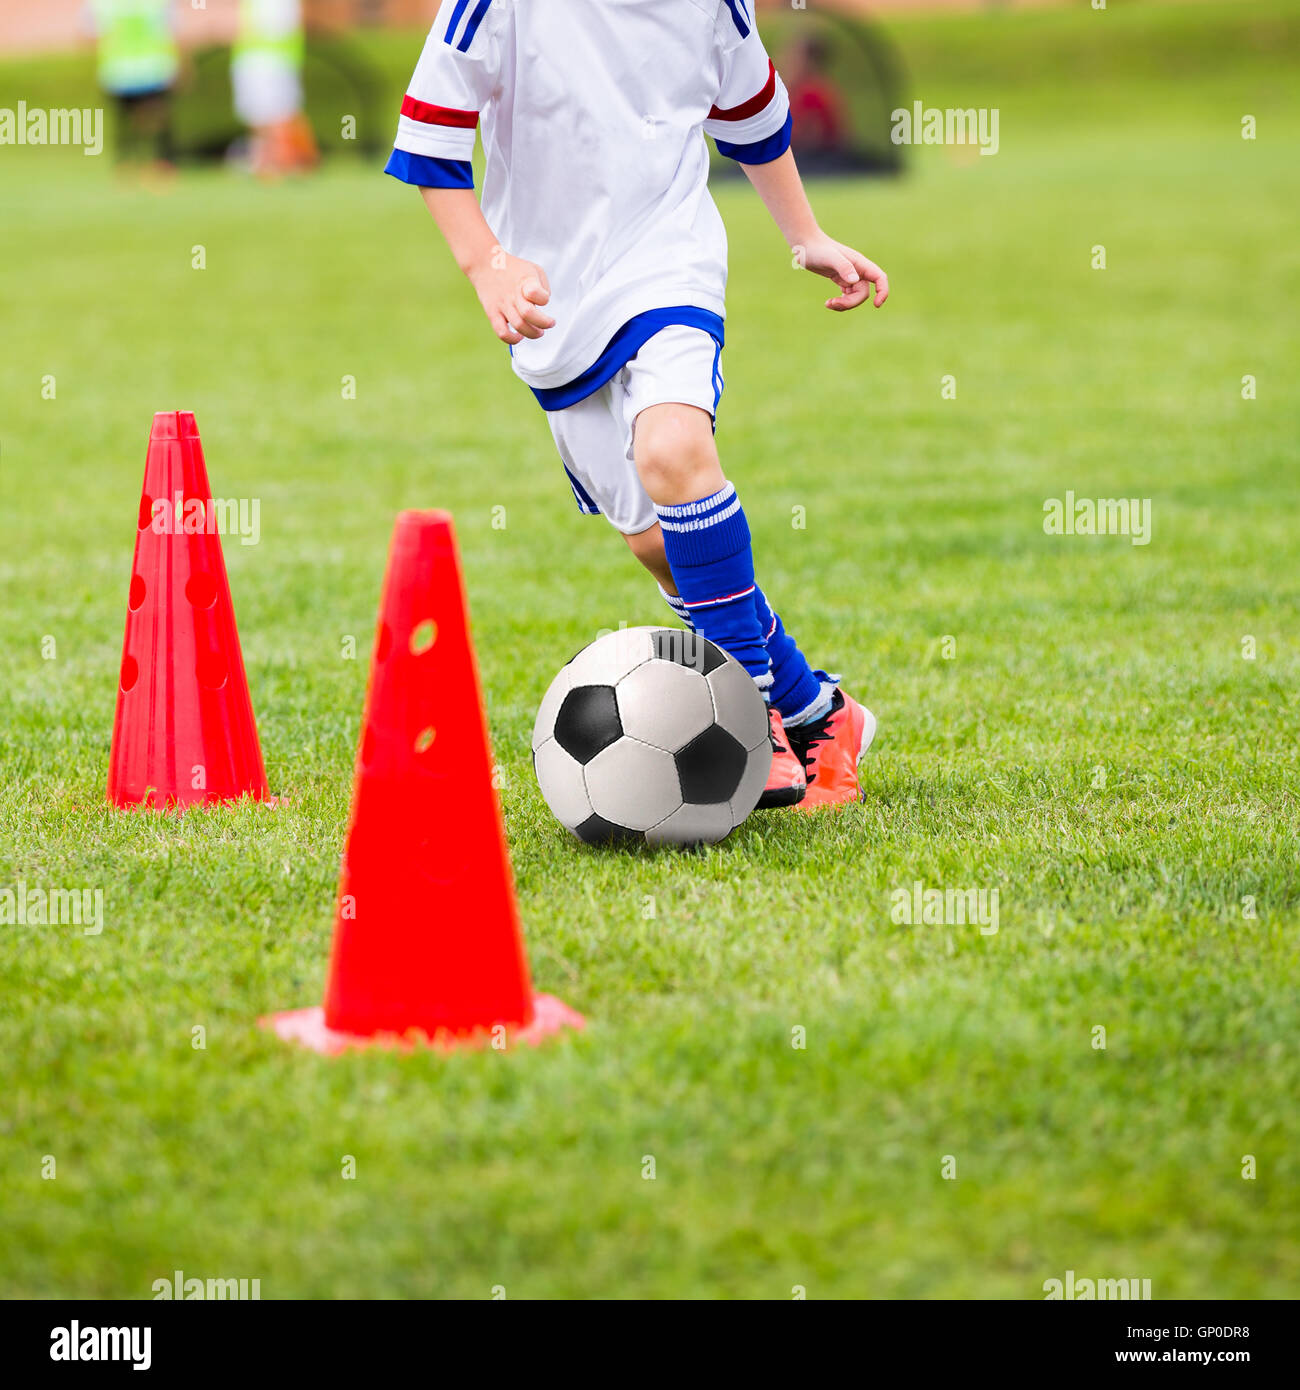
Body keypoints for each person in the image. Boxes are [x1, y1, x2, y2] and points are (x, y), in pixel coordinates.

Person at [384, 0, 889, 810]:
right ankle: (819, 712)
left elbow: (753, 112)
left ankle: (751, 722)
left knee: (673, 453)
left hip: (668, 259)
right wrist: (488, 266)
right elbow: (431, 139)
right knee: (658, 545)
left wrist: (808, 235)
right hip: (552, 300)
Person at [86, 0, 180, 171]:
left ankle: (154, 164)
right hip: (126, 71)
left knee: (151, 121)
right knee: (132, 124)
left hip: (147, 69)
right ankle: (132, 165)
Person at [231, 0, 318, 177]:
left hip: (271, 62)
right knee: (260, 117)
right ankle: (268, 164)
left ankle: (287, 163)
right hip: (256, 60)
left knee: (279, 115)